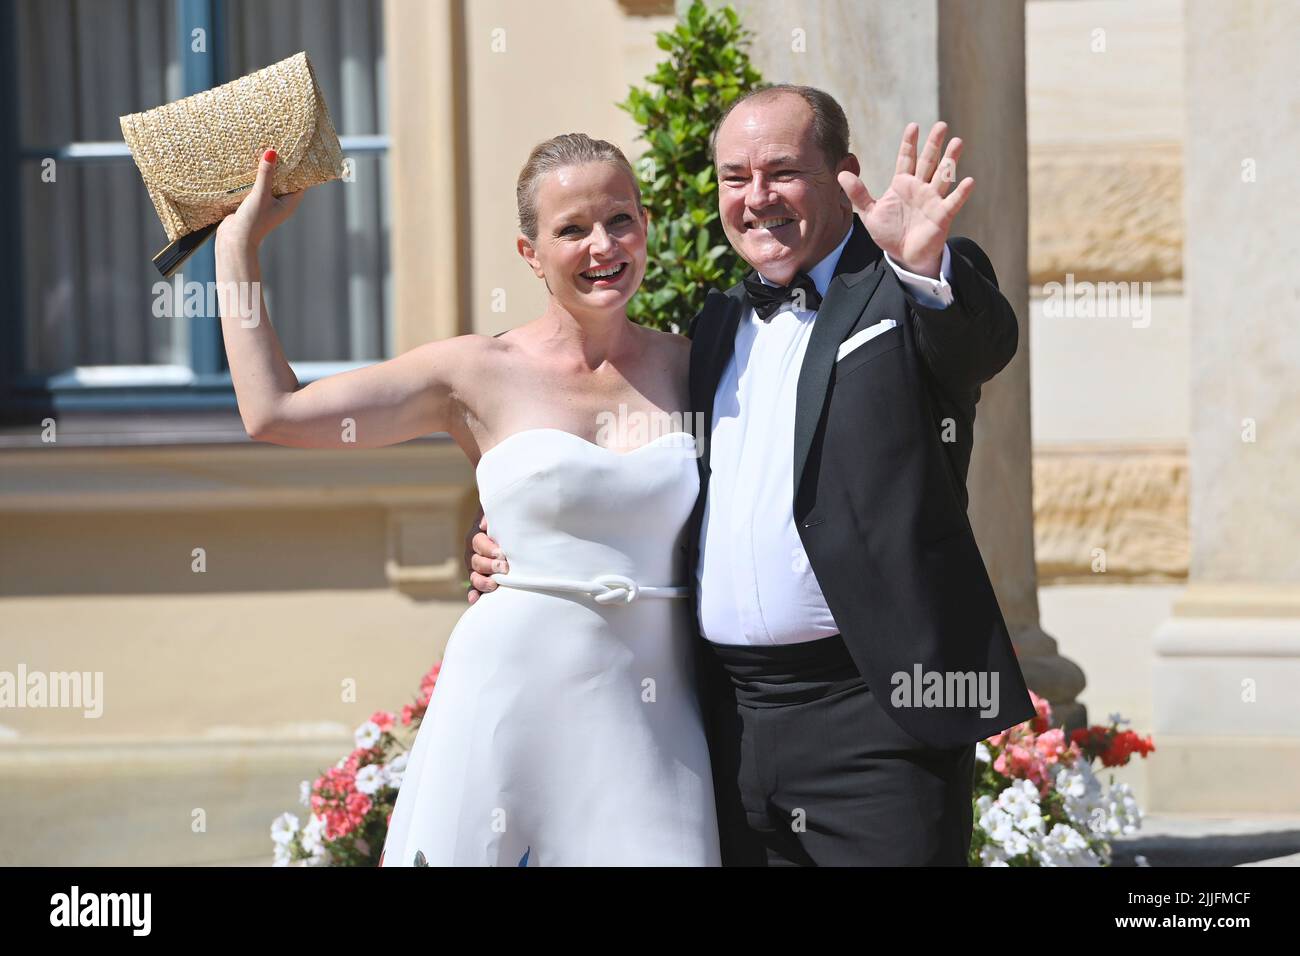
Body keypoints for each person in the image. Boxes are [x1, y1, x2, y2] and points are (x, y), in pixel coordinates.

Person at [469, 85, 1038, 865]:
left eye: (781, 172)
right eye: (735, 177)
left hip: (875, 717)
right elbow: (640, 480)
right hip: (721, 721)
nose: (757, 198)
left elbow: (979, 347)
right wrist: (522, 542)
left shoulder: (903, 289)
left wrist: (923, 266)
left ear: (842, 175)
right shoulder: (712, 325)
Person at [214, 134, 720, 865]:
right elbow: (274, 411)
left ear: (645, 225)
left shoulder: (697, 363)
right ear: (530, 253)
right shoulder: (473, 372)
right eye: (571, 229)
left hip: (656, 715)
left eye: (619, 219)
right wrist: (238, 249)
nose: (602, 245)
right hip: (506, 697)